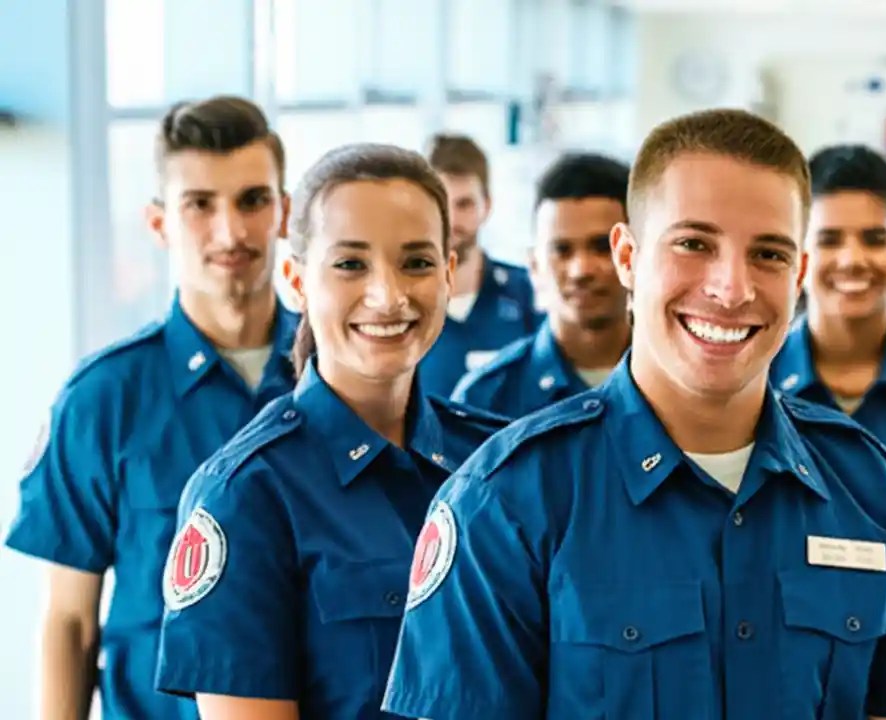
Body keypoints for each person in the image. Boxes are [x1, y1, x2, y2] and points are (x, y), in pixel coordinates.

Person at [382, 108, 886, 720]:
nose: (731, 288)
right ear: (628, 257)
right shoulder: (506, 504)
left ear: (798, 274)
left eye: (769, 254)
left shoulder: (876, 495)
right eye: (694, 244)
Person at [154, 143, 507, 719]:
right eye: (350, 264)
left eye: (416, 262)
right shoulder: (246, 495)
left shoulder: (498, 464)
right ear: (295, 279)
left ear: (448, 272)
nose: (388, 295)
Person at [4, 96, 297, 720]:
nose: (230, 231)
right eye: (200, 205)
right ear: (160, 223)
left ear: (284, 212)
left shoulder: (336, 378)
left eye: (252, 200)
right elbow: (69, 620)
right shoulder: (102, 400)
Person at [451, 152, 631, 416]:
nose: (581, 270)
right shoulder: (483, 401)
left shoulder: (685, 385)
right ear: (534, 266)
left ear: (633, 255)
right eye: (562, 249)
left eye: (602, 247)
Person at [771, 144, 886, 450]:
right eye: (829, 240)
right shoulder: (753, 375)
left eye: (874, 240)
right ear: (797, 257)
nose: (852, 260)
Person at [416, 133, 541, 395]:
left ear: (487, 205)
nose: (450, 221)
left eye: (465, 204)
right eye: (440, 205)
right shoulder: (400, 304)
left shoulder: (530, 292)